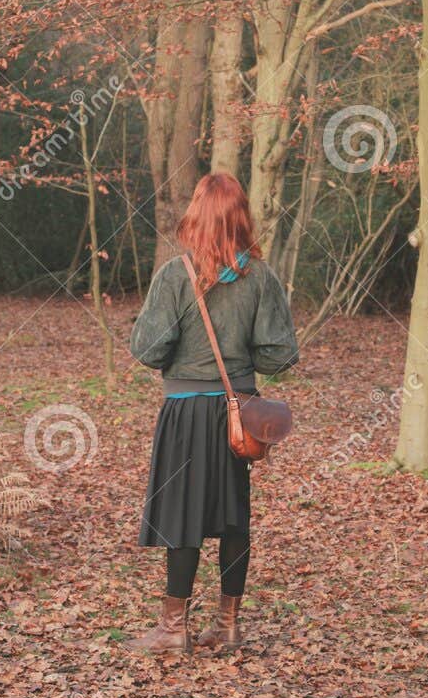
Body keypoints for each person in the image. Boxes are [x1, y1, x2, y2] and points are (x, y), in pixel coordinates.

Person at [125, 173, 299, 654]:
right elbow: (279, 356)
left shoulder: (174, 275)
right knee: (232, 516)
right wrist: (240, 355)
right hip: (237, 416)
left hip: (186, 415)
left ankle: (173, 629)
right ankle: (228, 625)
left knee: (184, 514)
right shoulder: (261, 277)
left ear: (195, 217)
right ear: (241, 218)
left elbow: (148, 349)